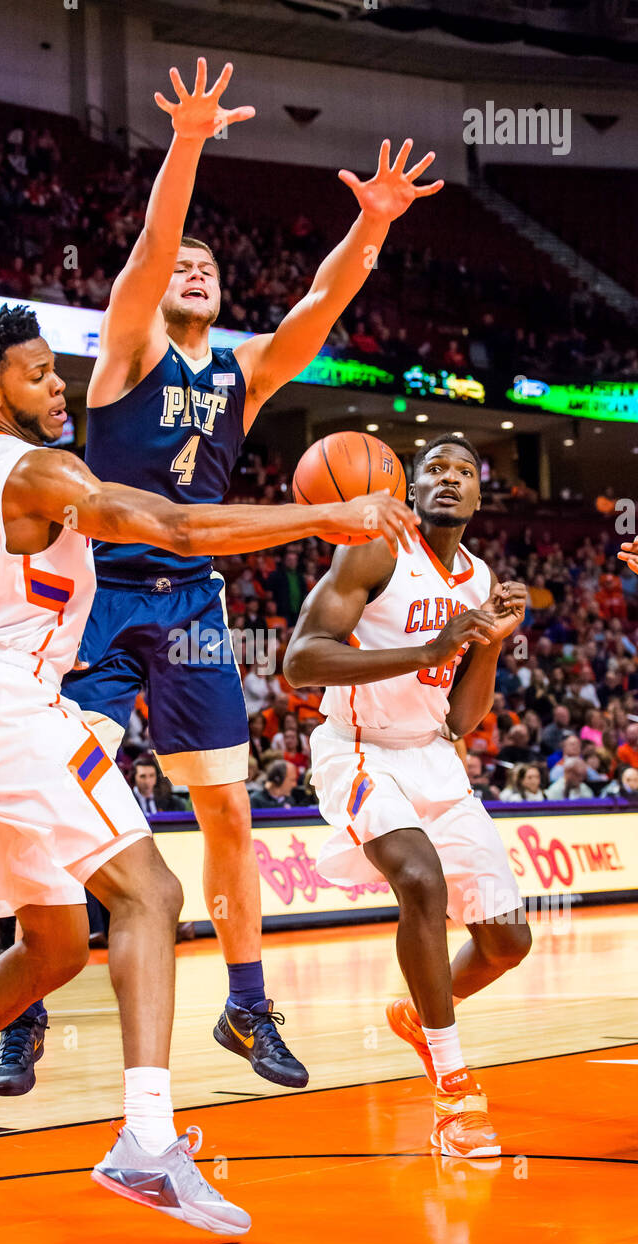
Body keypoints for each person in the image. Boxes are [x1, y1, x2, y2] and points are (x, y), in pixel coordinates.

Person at [0, 299, 401, 1229]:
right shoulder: (43, 468)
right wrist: (323, 514)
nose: (58, 384)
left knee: (50, 944)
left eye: (57, 368)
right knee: (152, 897)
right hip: (13, 706)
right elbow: (173, 529)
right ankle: (147, 1143)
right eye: (38, 373)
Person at [42, 57, 439, 1098]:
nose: (194, 273)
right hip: (100, 599)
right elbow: (148, 249)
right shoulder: (124, 355)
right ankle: (30, 996)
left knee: (226, 812)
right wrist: (185, 143)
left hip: (194, 607)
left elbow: (322, 298)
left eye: (209, 268)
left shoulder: (240, 372)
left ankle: (246, 1002)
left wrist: (374, 225)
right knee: (61, 792)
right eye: (186, 266)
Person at [284, 434, 530, 1158]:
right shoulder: (372, 550)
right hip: (357, 750)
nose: (448, 479)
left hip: (434, 758)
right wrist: (427, 651)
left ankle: (420, 1016)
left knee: (507, 941)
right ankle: (455, 1097)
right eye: (434, 470)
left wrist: (487, 644)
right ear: (407, 486)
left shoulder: (480, 579)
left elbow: (460, 718)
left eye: (464, 472)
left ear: (481, 497)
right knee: (418, 882)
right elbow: (300, 662)